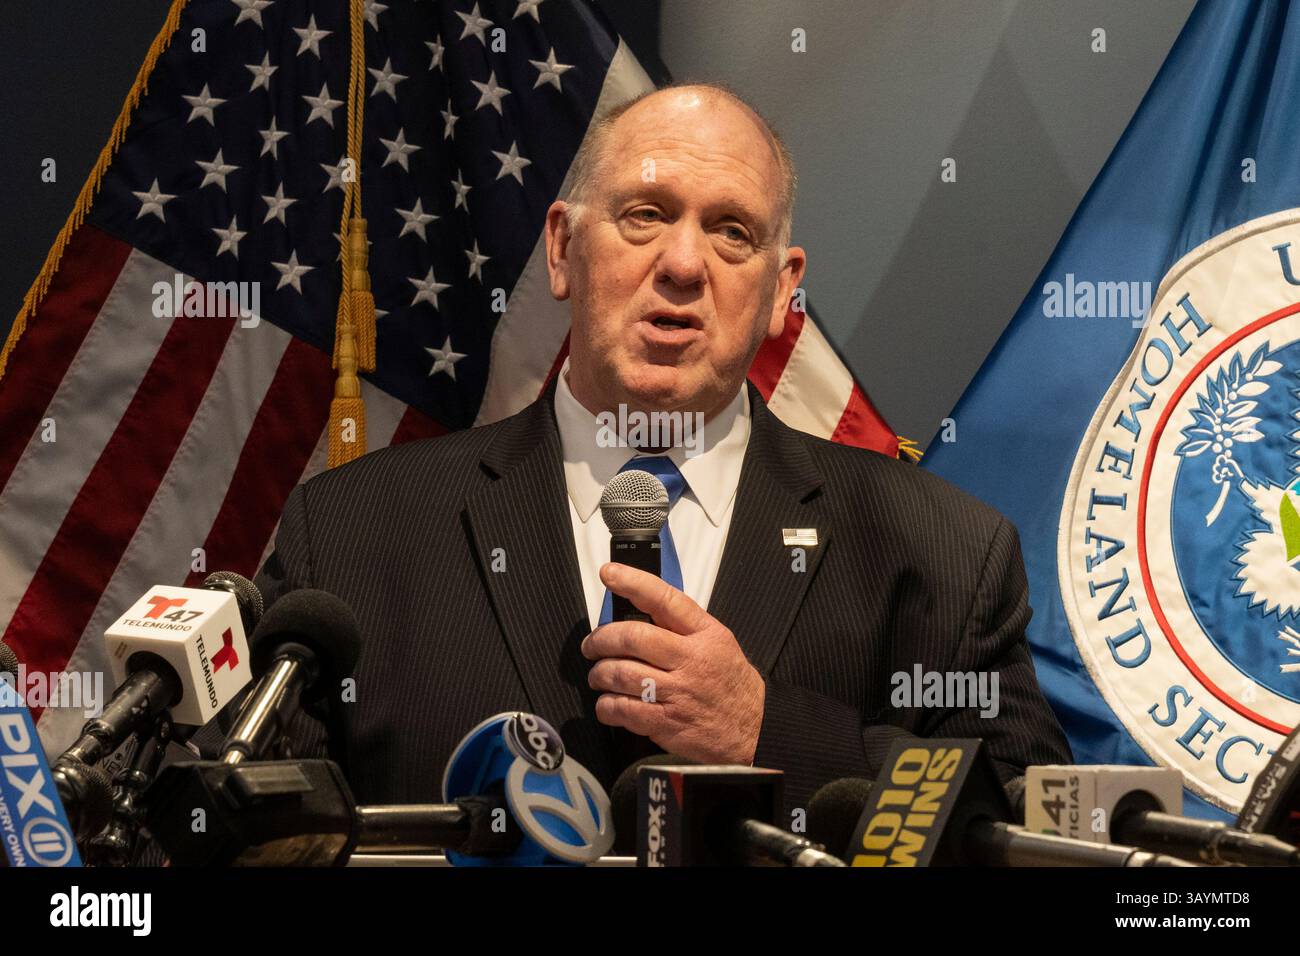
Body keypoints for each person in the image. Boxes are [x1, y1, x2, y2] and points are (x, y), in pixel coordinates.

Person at [255, 83, 1071, 821]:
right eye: (645, 214)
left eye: (732, 232)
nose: (683, 265)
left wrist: (766, 732)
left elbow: (1016, 827)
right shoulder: (355, 533)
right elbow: (236, 830)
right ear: (564, 249)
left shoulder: (942, 554)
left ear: (783, 292)